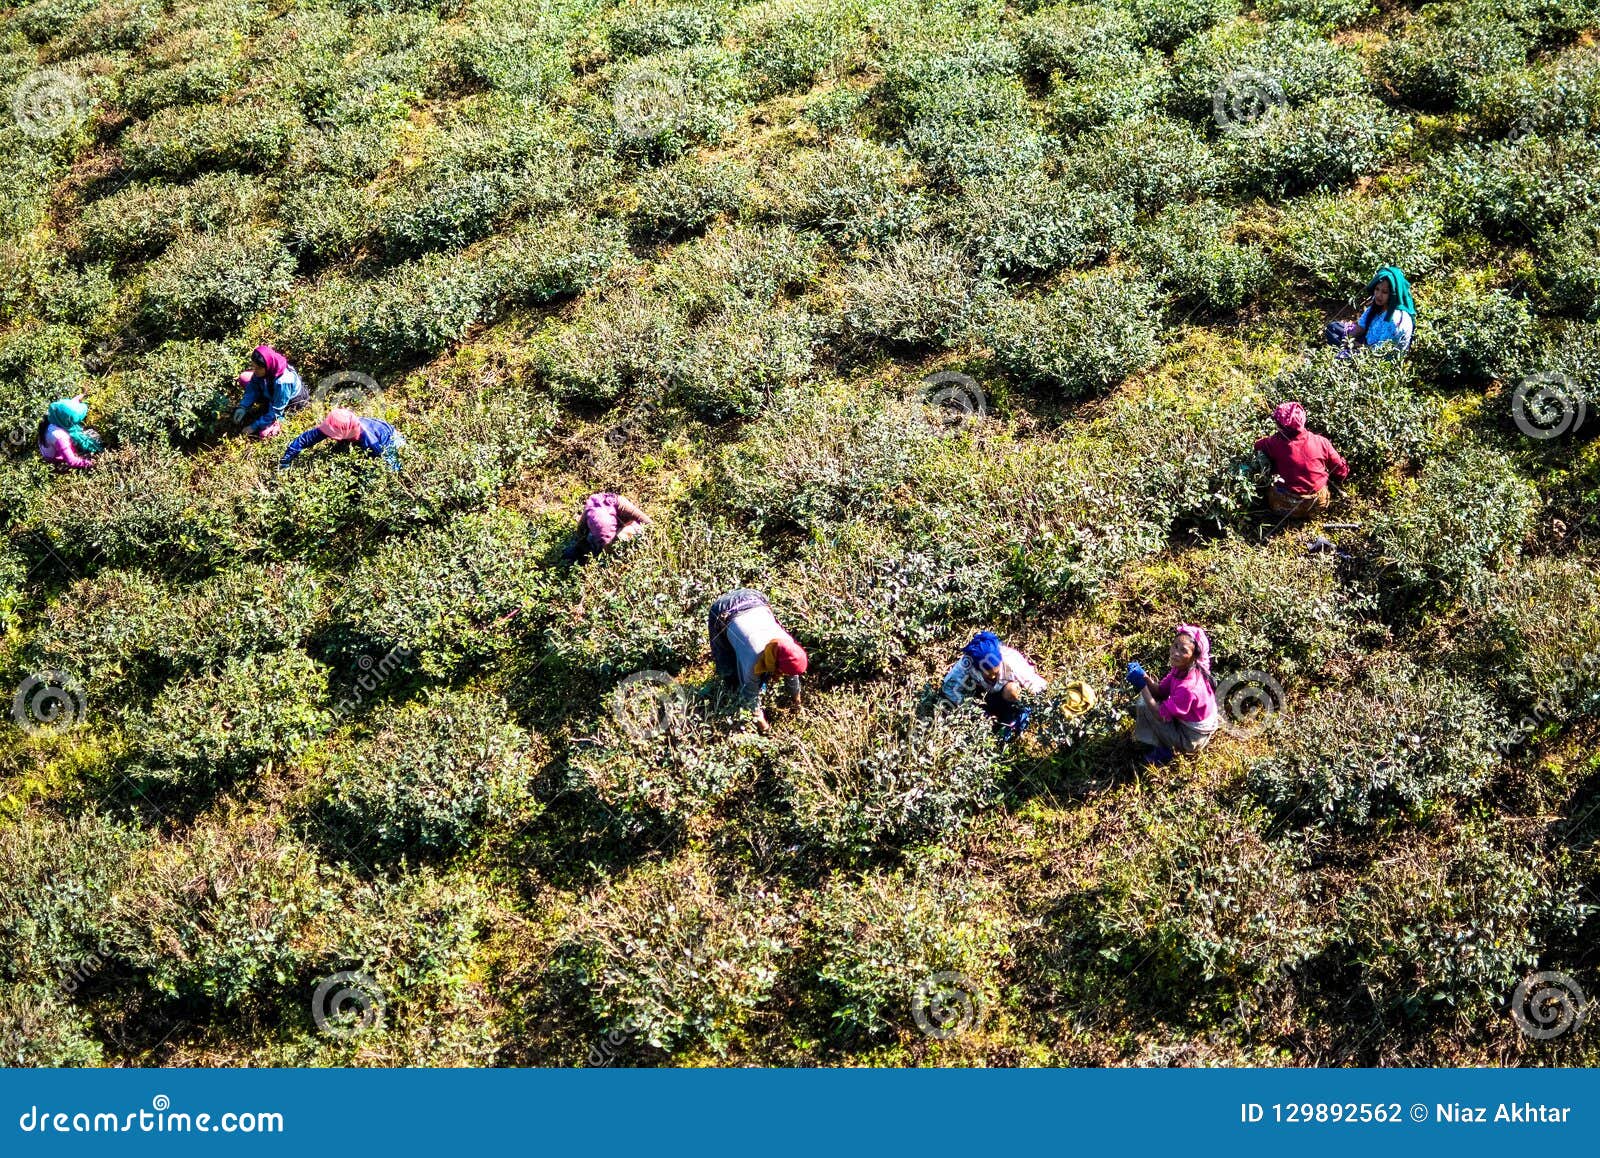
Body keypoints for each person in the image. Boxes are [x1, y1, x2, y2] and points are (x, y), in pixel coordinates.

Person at [707, 589, 808, 733]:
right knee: (730, 673)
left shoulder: (786, 646)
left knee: (759, 673)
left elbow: (792, 675)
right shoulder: (754, 659)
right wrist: (765, 729)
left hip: (754, 599)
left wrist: (797, 705)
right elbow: (750, 697)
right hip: (723, 611)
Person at [1127, 624, 1220, 764]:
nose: (1176, 653)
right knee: (1148, 700)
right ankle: (1162, 739)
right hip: (1190, 724)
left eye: (1183, 650)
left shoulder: (1189, 687)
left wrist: (1142, 686)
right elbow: (1161, 692)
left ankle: (1165, 750)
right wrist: (1143, 676)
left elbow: (1160, 715)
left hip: (1191, 739)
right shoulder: (1181, 669)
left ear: (1193, 657)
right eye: (1175, 646)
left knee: (1145, 704)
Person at [941, 630, 1047, 739]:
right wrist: (970, 709)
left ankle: (1015, 719)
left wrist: (1043, 706)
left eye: (995, 673)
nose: (992, 677)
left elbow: (1037, 685)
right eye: (988, 674)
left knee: (1011, 691)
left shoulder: (1012, 661)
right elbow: (949, 688)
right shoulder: (967, 663)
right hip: (985, 697)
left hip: (1010, 697)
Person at [1254, 401, 1349, 517]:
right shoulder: (1321, 442)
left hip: (1283, 506)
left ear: (1279, 426)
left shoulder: (1272, 443)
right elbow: (1341, 471)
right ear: (1303, 420)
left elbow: (1257, 446)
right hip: (1317, 504)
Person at [1324, 266, 1415, 356]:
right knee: (1332, 328)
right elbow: (1361, 327)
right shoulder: (1378, 306)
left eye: (1384, 292)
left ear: (1393, 294)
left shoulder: (1395, 319)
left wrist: (1357, 346)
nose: (1378, 295)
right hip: (1366, 343)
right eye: (1377, 289)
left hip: (1377, 358)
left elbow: (1380, 352)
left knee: (1342, 356)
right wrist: (1348, 339)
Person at [278, 407, 405, 470]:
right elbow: (304, 439)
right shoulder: (337, 424)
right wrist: (285, 461)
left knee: (370, 475)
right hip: (357, 436)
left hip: (389, 439)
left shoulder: (371, 442)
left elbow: (388, 470)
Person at [233, 344, 309, 439]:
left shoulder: (282, 382)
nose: (254, 370)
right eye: (253, 366)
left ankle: (280, 422)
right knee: (244, 377)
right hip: (272, 391)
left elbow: (276, 411)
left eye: (258, 368)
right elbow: (253, 386)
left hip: (290, 403)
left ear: (267, 366)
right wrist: (243, 406)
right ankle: (267, 405)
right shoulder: (267, 366)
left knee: (264, 434)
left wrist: (253, 427)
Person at [562, 492, 652, 562]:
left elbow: (650, 524)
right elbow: (580, 532)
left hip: (625, 528)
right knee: (581, 545)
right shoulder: (592, 509)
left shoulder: (623, 506)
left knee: (624, 536)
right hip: (602, 531)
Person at [36, 395, 100, 469]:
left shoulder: (53, 416)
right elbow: (72, 461)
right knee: (93, 436)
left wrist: (81, 396)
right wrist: (94, 463)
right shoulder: (60, 436)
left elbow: (67, 407)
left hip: (50, 449)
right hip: (57, 458)